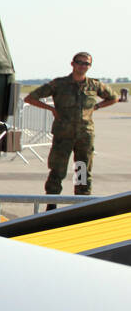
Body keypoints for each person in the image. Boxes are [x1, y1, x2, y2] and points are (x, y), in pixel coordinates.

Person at [24, 52, 116, 206]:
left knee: (82, 170)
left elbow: (113, 97)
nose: (82, 66)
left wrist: (97, 106)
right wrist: (51, 109)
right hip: (63, 135)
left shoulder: (94, 85)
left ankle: (81, 204)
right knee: (57, 170)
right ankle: (51, 204)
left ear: (89, 66)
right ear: (72, 64)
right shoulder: (59, 84)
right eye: (79, 62)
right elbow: (30, 98)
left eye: (86, 63)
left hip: (84, 136)